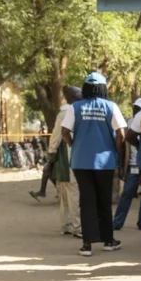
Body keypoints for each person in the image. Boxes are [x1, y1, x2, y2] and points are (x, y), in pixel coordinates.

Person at [61, 71, 126, 256]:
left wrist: (75, 146)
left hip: (80, 161)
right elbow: (121, 133)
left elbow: (65, 131)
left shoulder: (75, 107)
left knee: (86, 201)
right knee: (104, 201)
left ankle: (87, 244)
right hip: (104, 161)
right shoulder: (110, 106)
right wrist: (115, 149)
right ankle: (108, 240)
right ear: (103, 88)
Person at [113, 97, 141, 232]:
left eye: (139, 109)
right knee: (128, 192)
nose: (136, 111)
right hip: (133, 165)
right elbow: (123, 146)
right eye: (135, 108)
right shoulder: (128, 123)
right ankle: (117, 222)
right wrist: (121, 166)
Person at [50, 89, 82, 238]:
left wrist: (51, 153)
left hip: (62, 160)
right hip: (70, 158)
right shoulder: (70, 112)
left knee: (65, 195)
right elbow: (58, 136)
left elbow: (55, 139)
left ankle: (66, 225)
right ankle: (77, 227)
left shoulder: (63, 112)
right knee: (74, 193)